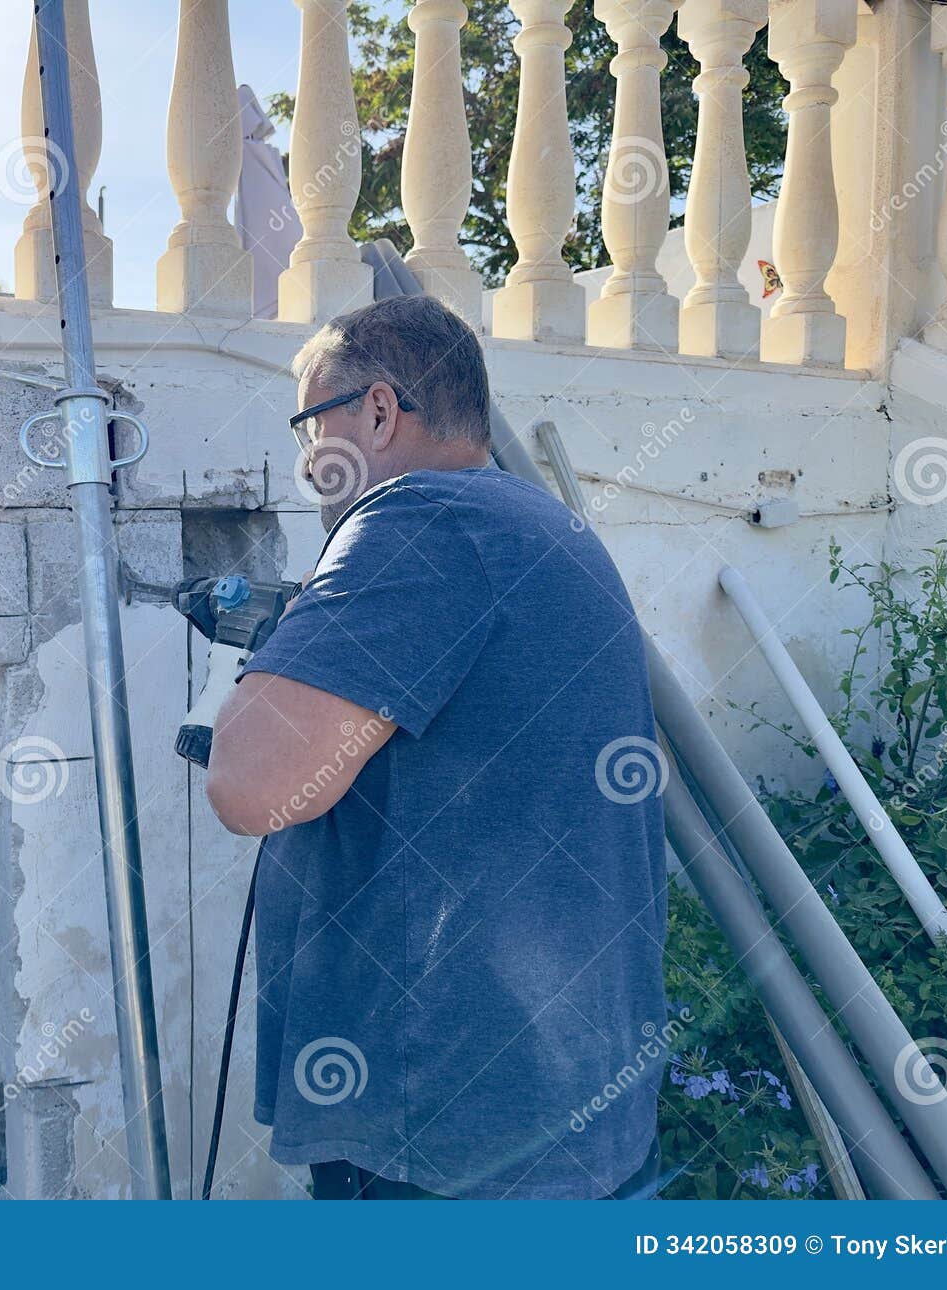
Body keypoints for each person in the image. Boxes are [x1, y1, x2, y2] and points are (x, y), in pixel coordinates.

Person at [206, 294, 668, 1200]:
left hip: (449, 1131)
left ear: (377, 412)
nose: (306, 457)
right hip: (569, 1104)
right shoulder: (542, 525)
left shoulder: (418, 526)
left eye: (311, 423)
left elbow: (249, 788)